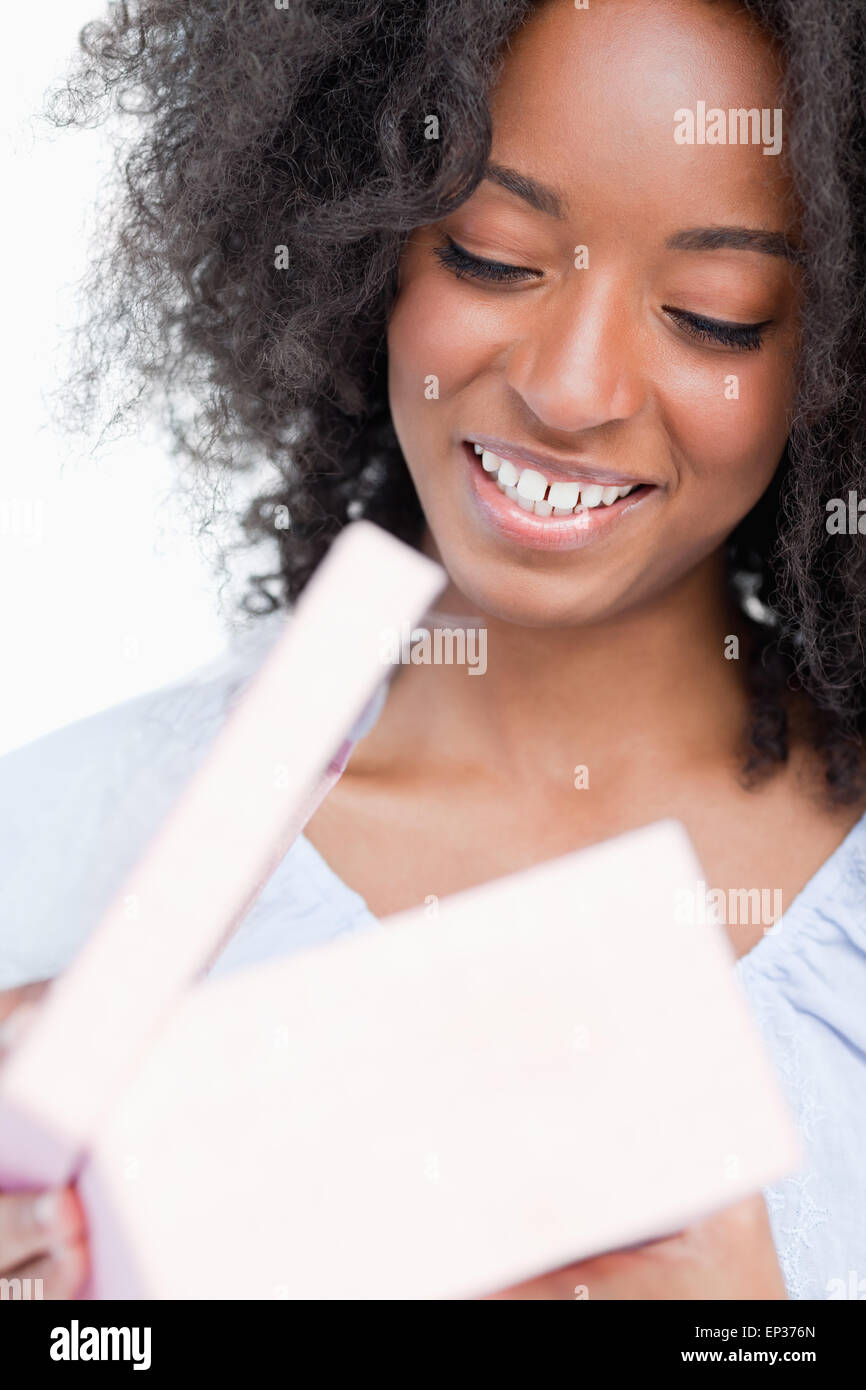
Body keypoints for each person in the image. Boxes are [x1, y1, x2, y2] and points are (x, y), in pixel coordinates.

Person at [2, 0, 865, 1299]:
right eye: (492, 254)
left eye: (712, 311)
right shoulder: (60, 853)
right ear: (371, 237)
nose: (571, 388)